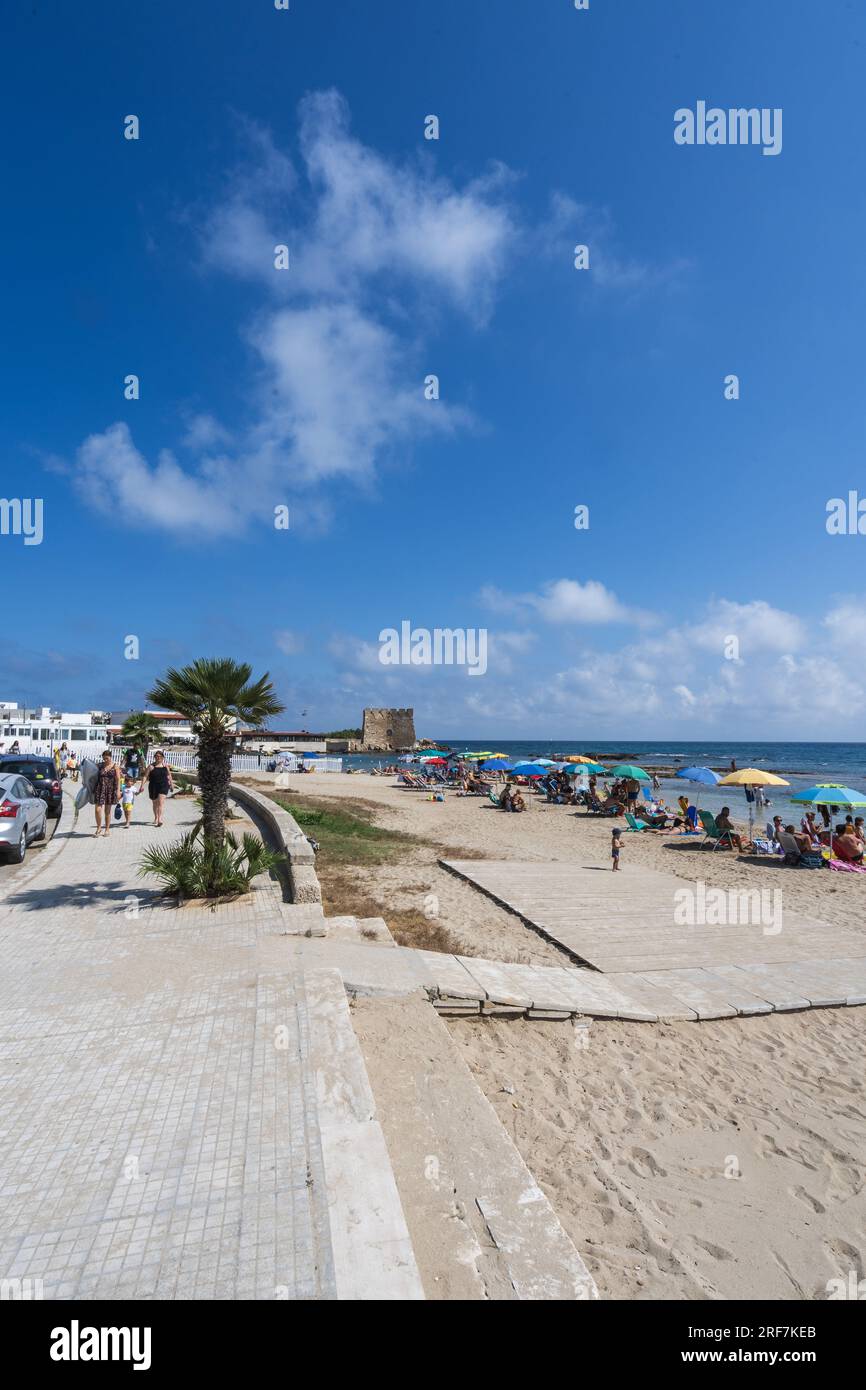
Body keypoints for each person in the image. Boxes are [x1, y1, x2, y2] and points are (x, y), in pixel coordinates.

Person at [139, 750, 174, 827]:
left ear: (162, 758)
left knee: (160, 802)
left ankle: (160, 820)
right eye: (156, 756)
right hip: (153, 786)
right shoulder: (151, 767)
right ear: (154, 757)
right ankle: (156, 817)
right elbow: (145, 776)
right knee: (155, 803)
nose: (158, 758)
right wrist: (141, 785)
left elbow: (169, 775)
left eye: (160, 756)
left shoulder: (166, 766)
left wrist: (171, 784)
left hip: (164, 785)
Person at [93, 749, 121, 837]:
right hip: (100, 789)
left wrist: (118, 791)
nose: (105, 760)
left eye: (107, 758)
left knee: (107, 811)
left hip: (110, 790)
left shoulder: (115, 766)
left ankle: (107, 829)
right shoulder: (99, 766)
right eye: (104, 758)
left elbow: (118, 779)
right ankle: (98, 828)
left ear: (110, 757)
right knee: (97, 810)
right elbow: (92, 776)